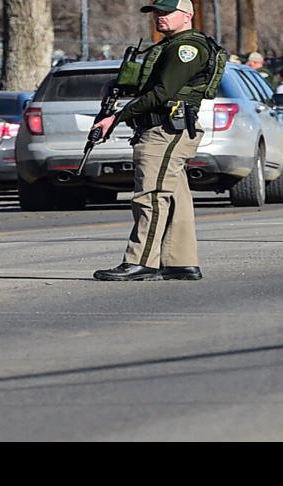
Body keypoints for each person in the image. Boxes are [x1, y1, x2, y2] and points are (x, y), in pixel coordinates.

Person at [91, 0, 217, 281]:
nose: (160, 17)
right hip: (162, 129)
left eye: (166, 12)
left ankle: (141, 261)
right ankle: (180, 262)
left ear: (187, 15)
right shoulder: (169, 46)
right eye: (157, 12)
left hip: (165, 131)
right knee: (174, 197)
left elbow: (163, 92)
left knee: (151, 196)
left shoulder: (188, 47)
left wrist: (117, 117)